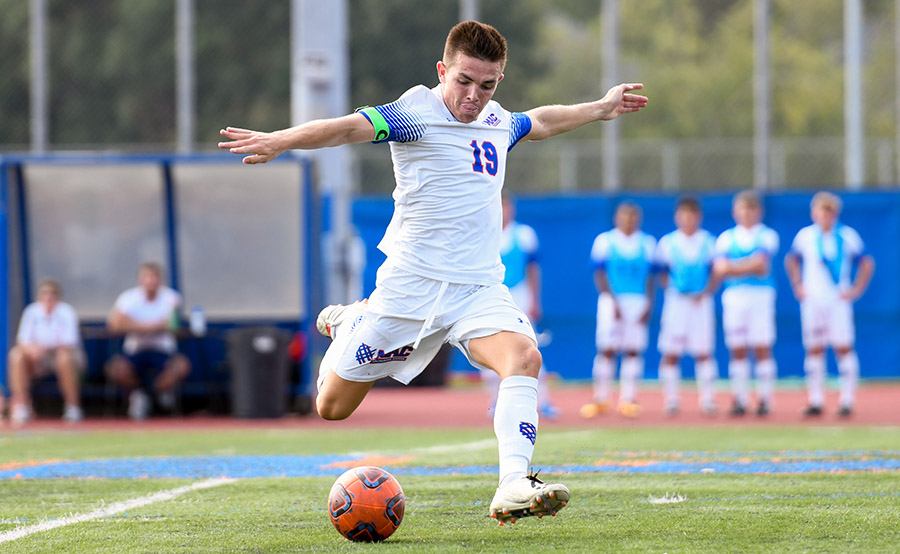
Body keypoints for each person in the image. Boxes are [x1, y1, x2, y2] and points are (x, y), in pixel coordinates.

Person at [219, 20, 646, 525]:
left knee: (524, 358)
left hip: (476, 289)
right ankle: (353, 321)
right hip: (408, 292)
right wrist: (281, 140)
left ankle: (513, 482)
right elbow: (347, 128)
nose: (473, 95)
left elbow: (541, 121)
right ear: (443, 71)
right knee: (331, 407)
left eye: (487, 85)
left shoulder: (496, 120)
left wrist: (600, 108)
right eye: (464, 80)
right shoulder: (414, 114)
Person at [784, 192, 874, 418]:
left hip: (837, 301)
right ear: (814, 213)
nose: (825, 216)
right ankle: (816, 400)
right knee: (814, 349)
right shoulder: (805, 236)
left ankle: (847, 401)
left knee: (843, 348)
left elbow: (866, 263)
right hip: (812, 301)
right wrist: (798, 284)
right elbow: (791, 260)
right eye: (820, 211)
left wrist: (856, 289)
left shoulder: (847, 236)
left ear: (835, 213)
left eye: (829, 211)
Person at [481, 193, 558, 419]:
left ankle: (543, 400)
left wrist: (535, 300)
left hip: (520, 296)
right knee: (490, 347)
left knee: (530, 348)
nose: (504, 212)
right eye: (500, 207)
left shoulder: (525, 235)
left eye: (507, 206)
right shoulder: (485, 234)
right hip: (493, 297)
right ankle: (495, 400)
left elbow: (533, 270)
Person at [579, 202, 657, 419]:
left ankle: (628, 399)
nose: (629, 221)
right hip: (611, 301)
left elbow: (651, 279)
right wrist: (611, 301)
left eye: (633, 217)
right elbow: (600, 274)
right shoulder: (605, 241)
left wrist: (648, 304)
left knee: (633, 350)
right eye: (625, 217)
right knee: (607, 349)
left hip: (638, 300)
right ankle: (601, 398)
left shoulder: (648, 243)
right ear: (617, 218)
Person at [713, 190, 779, 417]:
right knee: (737, 347)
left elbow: (762, 266)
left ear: (758, 212)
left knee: (761, 347)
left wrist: (733, 267)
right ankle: (740, 399)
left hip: (760, 296)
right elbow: (720, 269)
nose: (747, 214)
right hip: (734, 297)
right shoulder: (726, 238)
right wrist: (748, 265)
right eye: (743, 209)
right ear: (735, 212)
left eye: (751, 209)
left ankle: (765, 399)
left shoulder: (767, 235)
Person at [654, 197, 719, 416]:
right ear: (677, 217)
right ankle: (671, 399)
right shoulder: (667, 243)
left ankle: (708, 400)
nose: (688, 220)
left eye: (692, 215)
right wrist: (673, 292)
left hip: (701, 304)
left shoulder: (709, 242)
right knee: (671, 352)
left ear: (698, 217)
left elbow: (716, 271)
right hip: (677, 303)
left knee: (704, 352)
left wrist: (706, 291)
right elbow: (661, 274)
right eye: (684, 215)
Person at [105, 262, 191, 420]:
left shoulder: (172, 297)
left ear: (161, 279)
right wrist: (154, 325)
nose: (151, 281)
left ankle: (153, 394)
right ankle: (139, 394)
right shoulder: (128, 298)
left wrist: (134, 323)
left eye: (154, 276)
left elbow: (173, 325)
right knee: (115, 369)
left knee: (181, 367)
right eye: (147, 277)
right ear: (140, 279)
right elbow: (114, 324)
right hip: (136, 350)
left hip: (163, 350)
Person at [6, 278, 84, 424]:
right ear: (38, 296)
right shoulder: (31, 312)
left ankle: (72, 407)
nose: (48, 296)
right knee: (16, 355)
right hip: (37, 359)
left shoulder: (66, 312)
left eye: (52, 293)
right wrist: (33, 350)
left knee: (64, 358)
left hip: (62, 356)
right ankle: (21, 406)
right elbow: (23, 341)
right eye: (44, 293)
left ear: (58, 296)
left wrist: (44, 348)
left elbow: (70, 343)